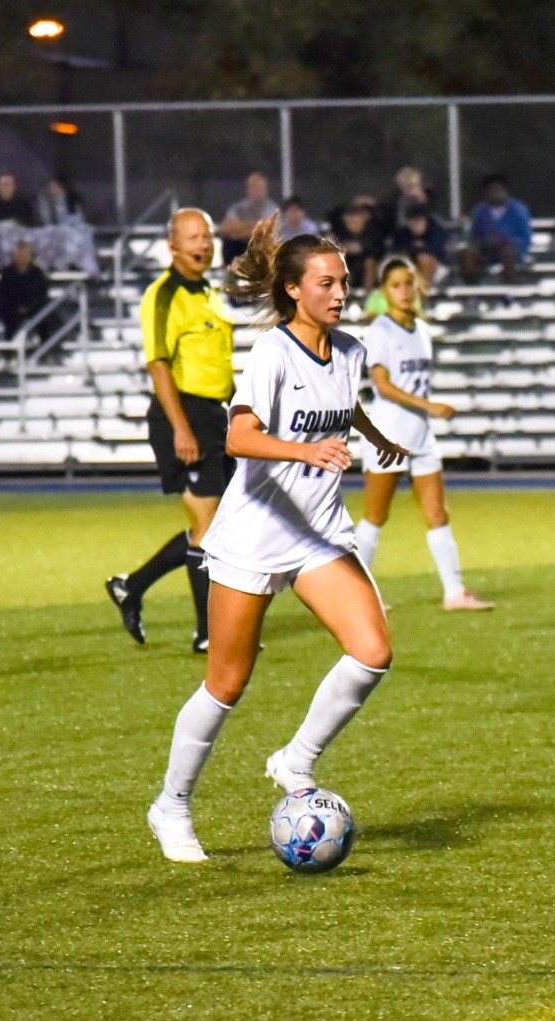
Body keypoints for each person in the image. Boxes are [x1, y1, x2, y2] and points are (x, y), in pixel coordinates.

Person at [144, 220, 409, 863]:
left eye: (344, 281)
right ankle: (171, 806)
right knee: (227, 682)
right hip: (255, 536)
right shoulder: (272, 354)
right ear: (293, 290)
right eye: (327, 283)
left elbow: (341, 405)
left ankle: (296, 760)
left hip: (317, 533)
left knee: (373, 651)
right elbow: (238, 437)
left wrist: (372, 437)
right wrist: (304, 450)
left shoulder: (346, 350)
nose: (341, 292)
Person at [105, 209, 233, 651]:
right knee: (209, 527)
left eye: (207, 236)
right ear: (173, 246)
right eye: (193, 237)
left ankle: (131, 586)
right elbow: (159, 365)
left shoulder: (209, 293)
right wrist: (182, 429)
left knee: (218, 525)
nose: (203, 244)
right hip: (184, 414)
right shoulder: (162, 296)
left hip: (213, 416)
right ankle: (208, 634)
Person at [352, 257, 494, 611]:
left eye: (409, 283)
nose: (404, 291)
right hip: (389, 434)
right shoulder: (381, 331)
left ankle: (454, 592)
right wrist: (429, 406)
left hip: (421, 434)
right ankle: (355, 595)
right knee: (375, 515)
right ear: (385, 292)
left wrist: (426, 413)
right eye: (396, 285)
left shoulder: (423, 331)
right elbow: (382, 386)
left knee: (437, 513)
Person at [458, 174, 533, 284]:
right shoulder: (479, 211)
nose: (496, 193)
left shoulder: (518, 210)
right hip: (486, 251)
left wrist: (504, 241)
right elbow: (474, 236)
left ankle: (510, 290)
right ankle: (472, 290)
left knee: (508, 254)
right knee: (467, 254)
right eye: (492, 190)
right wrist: (485, 242)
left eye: (499, 189)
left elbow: (525, 237)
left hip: (512, 251)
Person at [35, 176, 100, 274]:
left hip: (71, 232)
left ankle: (88, 269)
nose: (52, 189)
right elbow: (46, 221)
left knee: (82, 238)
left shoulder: (71, 200)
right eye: (51, 186)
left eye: (55, 186)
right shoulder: (45, 201)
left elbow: (76, 220)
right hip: (54, 234)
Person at [217, 172, 278, 264]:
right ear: (248, 189)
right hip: (238, 249)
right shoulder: (238, 208)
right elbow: (226, 228)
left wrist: (238, 230)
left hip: (260, 253)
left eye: (260, 188)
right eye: (254, 187)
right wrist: (253, 226)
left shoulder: (272, 209)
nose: (258, 191)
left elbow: (265, 232)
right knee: (229, 242)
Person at [0, 241, 51, 338]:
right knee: (8, 322)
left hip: (34, 308)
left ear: (31, 256)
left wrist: (29, 307)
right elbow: (2, 293)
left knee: (44, 320)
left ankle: (45, 348)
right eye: (19, 254)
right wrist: (16, 307)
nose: (22, 257)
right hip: (12, 309)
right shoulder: (7, 273)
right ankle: (8, 350)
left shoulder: (37, 273)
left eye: (25, 254)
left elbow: (42, 293)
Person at [390, 204, 449, 292]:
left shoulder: (436, 231)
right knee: (402, 260)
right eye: (412, 221)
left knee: (425, 260)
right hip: (411, 267)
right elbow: (396, 250)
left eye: (419, 220)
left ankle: (422, 293)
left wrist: (417, 249)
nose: (416, 224)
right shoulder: (402, 234)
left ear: (425, 221)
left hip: (437, 267)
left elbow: (435, 250)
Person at [329, 200, 381, 293]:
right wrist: (345, 248)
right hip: (348, 265)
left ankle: (367, 295)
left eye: (357, 219)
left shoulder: (372, 232)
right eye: (351, 220)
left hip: (367, 265)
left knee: (370, 262)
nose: (353, 223)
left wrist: (362, 248)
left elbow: (377, 249)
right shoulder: (340, 232)